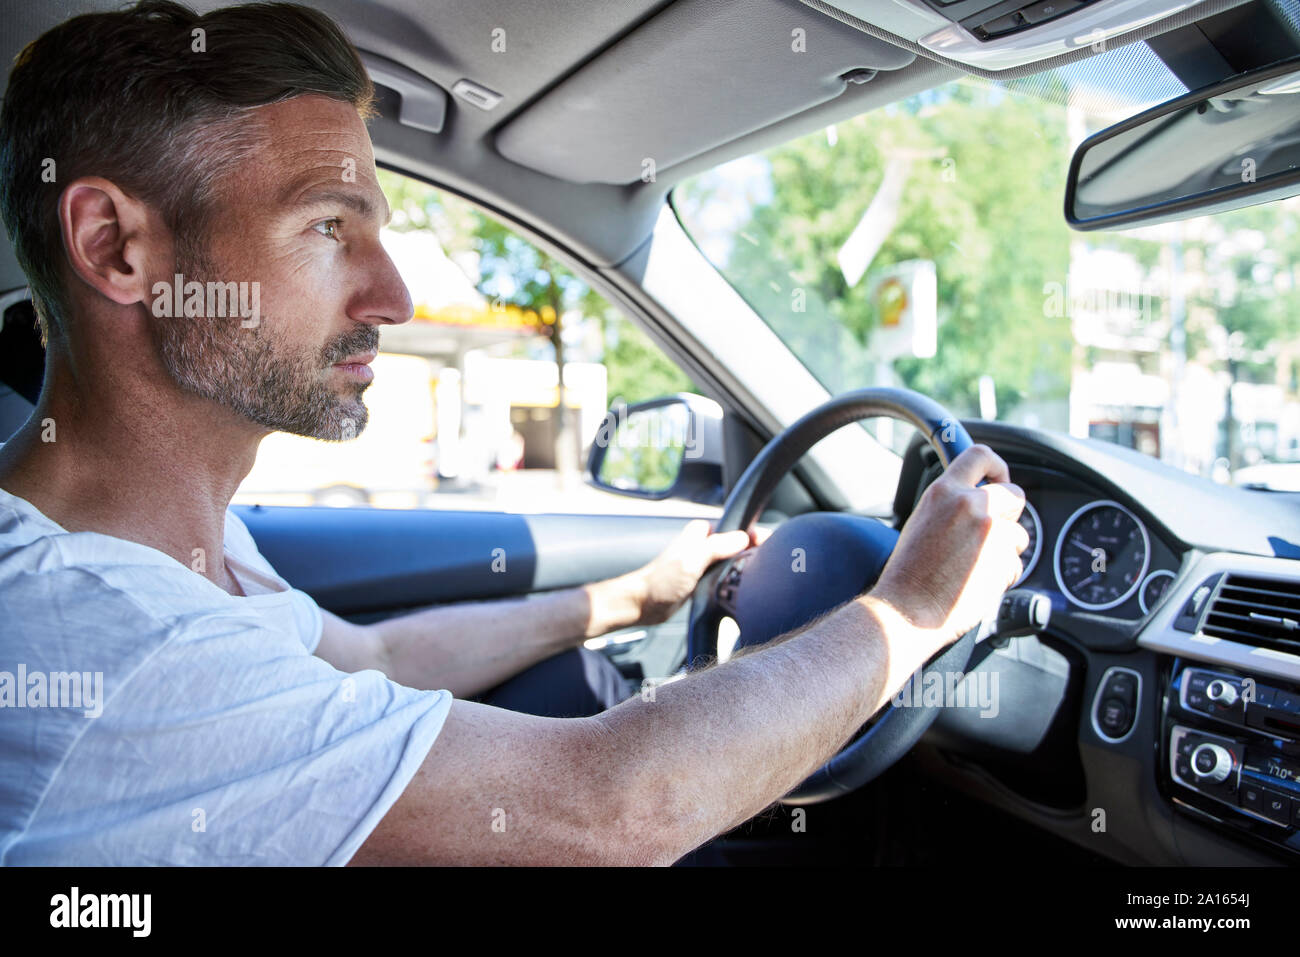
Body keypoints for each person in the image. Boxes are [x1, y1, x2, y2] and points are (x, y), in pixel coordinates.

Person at [0, 0, 1027, 866]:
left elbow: (377, 659)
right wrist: (916, 611)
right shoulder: (110, 639)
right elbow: (616, 808)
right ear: (116, 247)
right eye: (326, 226)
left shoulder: (182, 546)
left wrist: (627, 597)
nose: (393, 295)